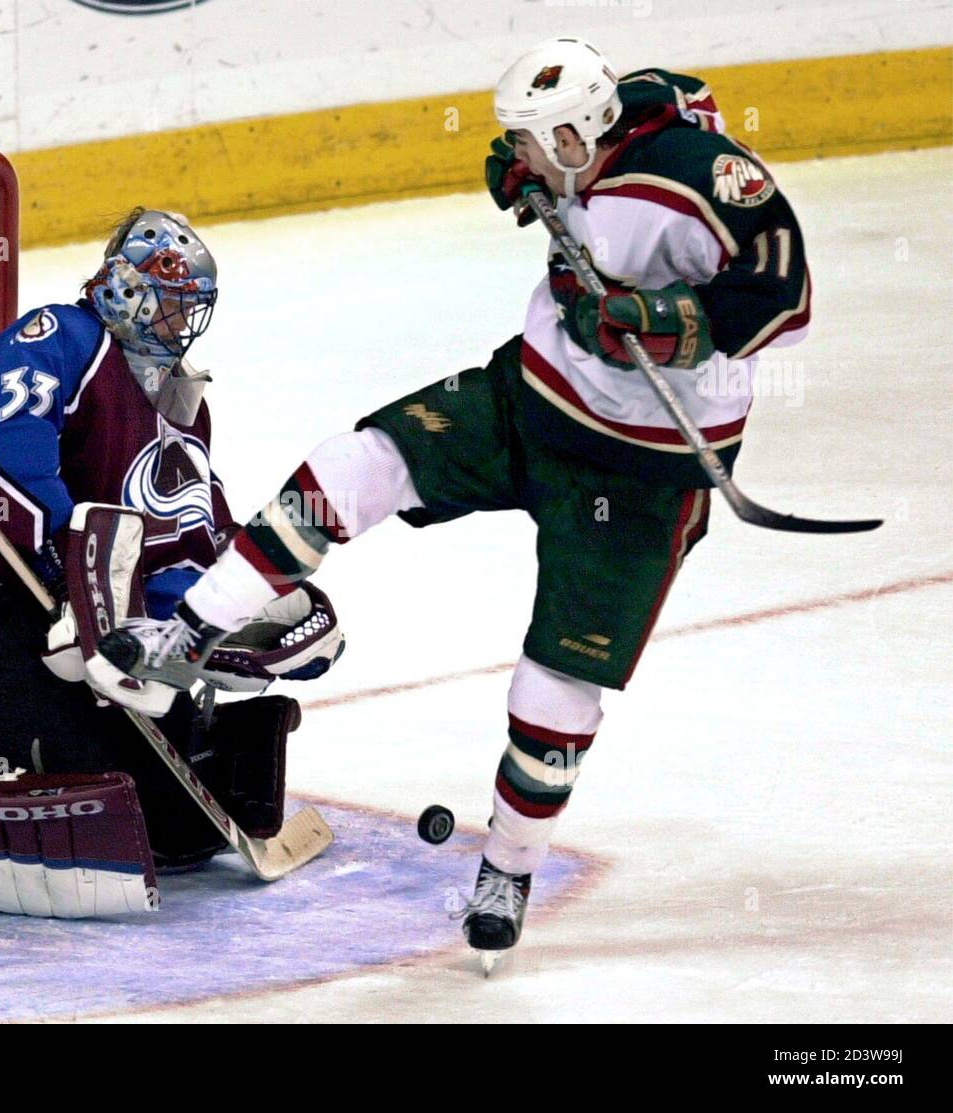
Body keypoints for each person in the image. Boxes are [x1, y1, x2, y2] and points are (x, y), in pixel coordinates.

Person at [85, 38, 811, 961]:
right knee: (364, 461)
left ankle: (507, 868)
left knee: (556, 684)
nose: (522, 151)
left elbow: (788, 298)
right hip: (531, 399)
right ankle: (189, 630)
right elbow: (602, 133)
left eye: (532, 140)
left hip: (646, 468)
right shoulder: (595, 132)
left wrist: (675, 324)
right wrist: (526, 173)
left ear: (579, 135)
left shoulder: (699, 179)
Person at [0, 207, 344, 871]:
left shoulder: (178, 401)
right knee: (88, 809)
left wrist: (251, 596)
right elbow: (5, 444)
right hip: (16, 614)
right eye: (175, 305)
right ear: (133, 289)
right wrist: (67, 562)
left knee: (178, 829)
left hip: (107, 633)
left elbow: (196, 532)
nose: (184, 324)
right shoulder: (63, 338)